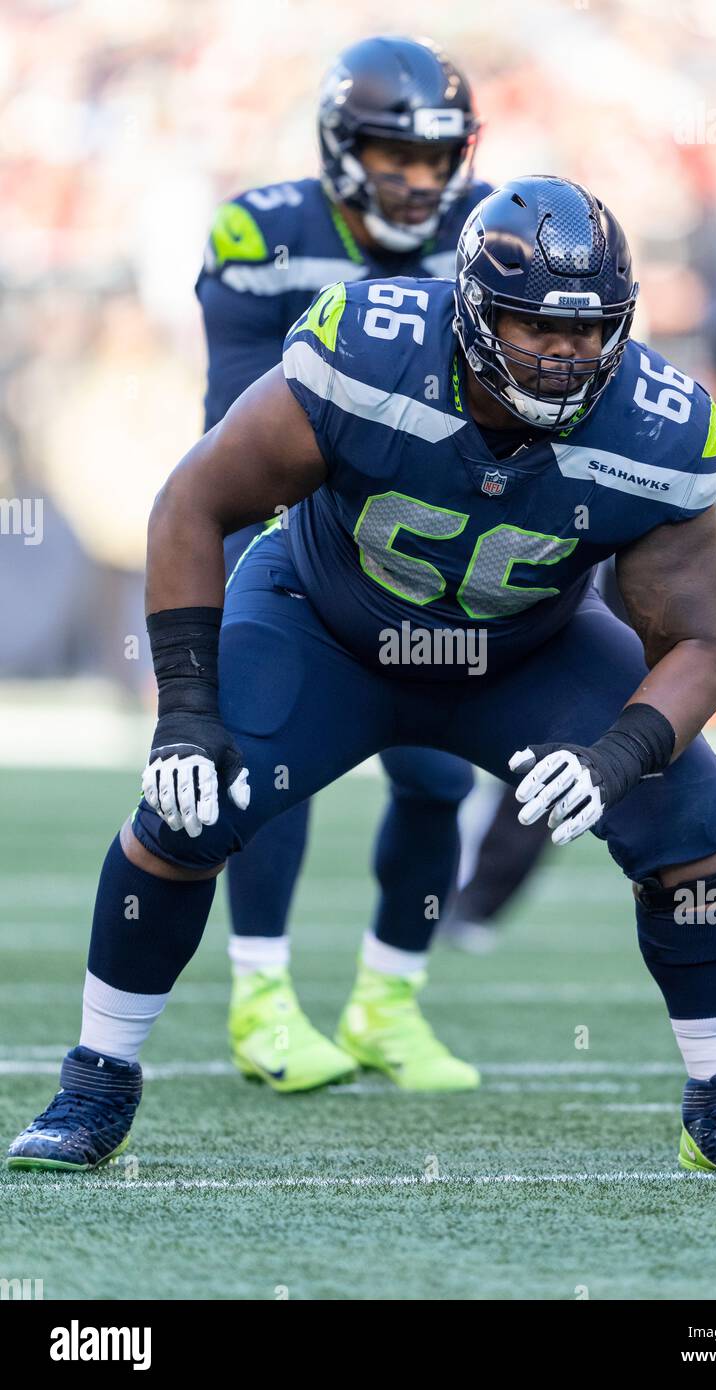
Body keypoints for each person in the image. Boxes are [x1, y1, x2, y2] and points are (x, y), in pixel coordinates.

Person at [8, 177, 716, 1175]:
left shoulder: (653, 426)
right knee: (186, 806)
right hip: (323, 624)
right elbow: (190, 503)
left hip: (517, 653)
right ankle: (94, 1085)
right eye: (537, 324)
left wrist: (618, 754)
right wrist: (185, 709)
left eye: (589, 330)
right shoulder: (368, 352)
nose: (567, 352)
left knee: (695, 819)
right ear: (472, 309)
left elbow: (701, 643)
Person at [197, 34, 492, 1092]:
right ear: (338, 145)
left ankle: (386, 999)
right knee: (267, 766)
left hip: (429, 548)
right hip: (295, 531)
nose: (418, 182)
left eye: (434, 158)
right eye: (392, 156)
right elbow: (235, 429)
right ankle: (260, 997)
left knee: (434, 775)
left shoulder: (490, 234)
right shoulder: (262, 231)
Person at [444, 301, 716, 953]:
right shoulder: (671, 427)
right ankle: (477, 900)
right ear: (711, 373)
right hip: (660, 608)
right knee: (569, 725)